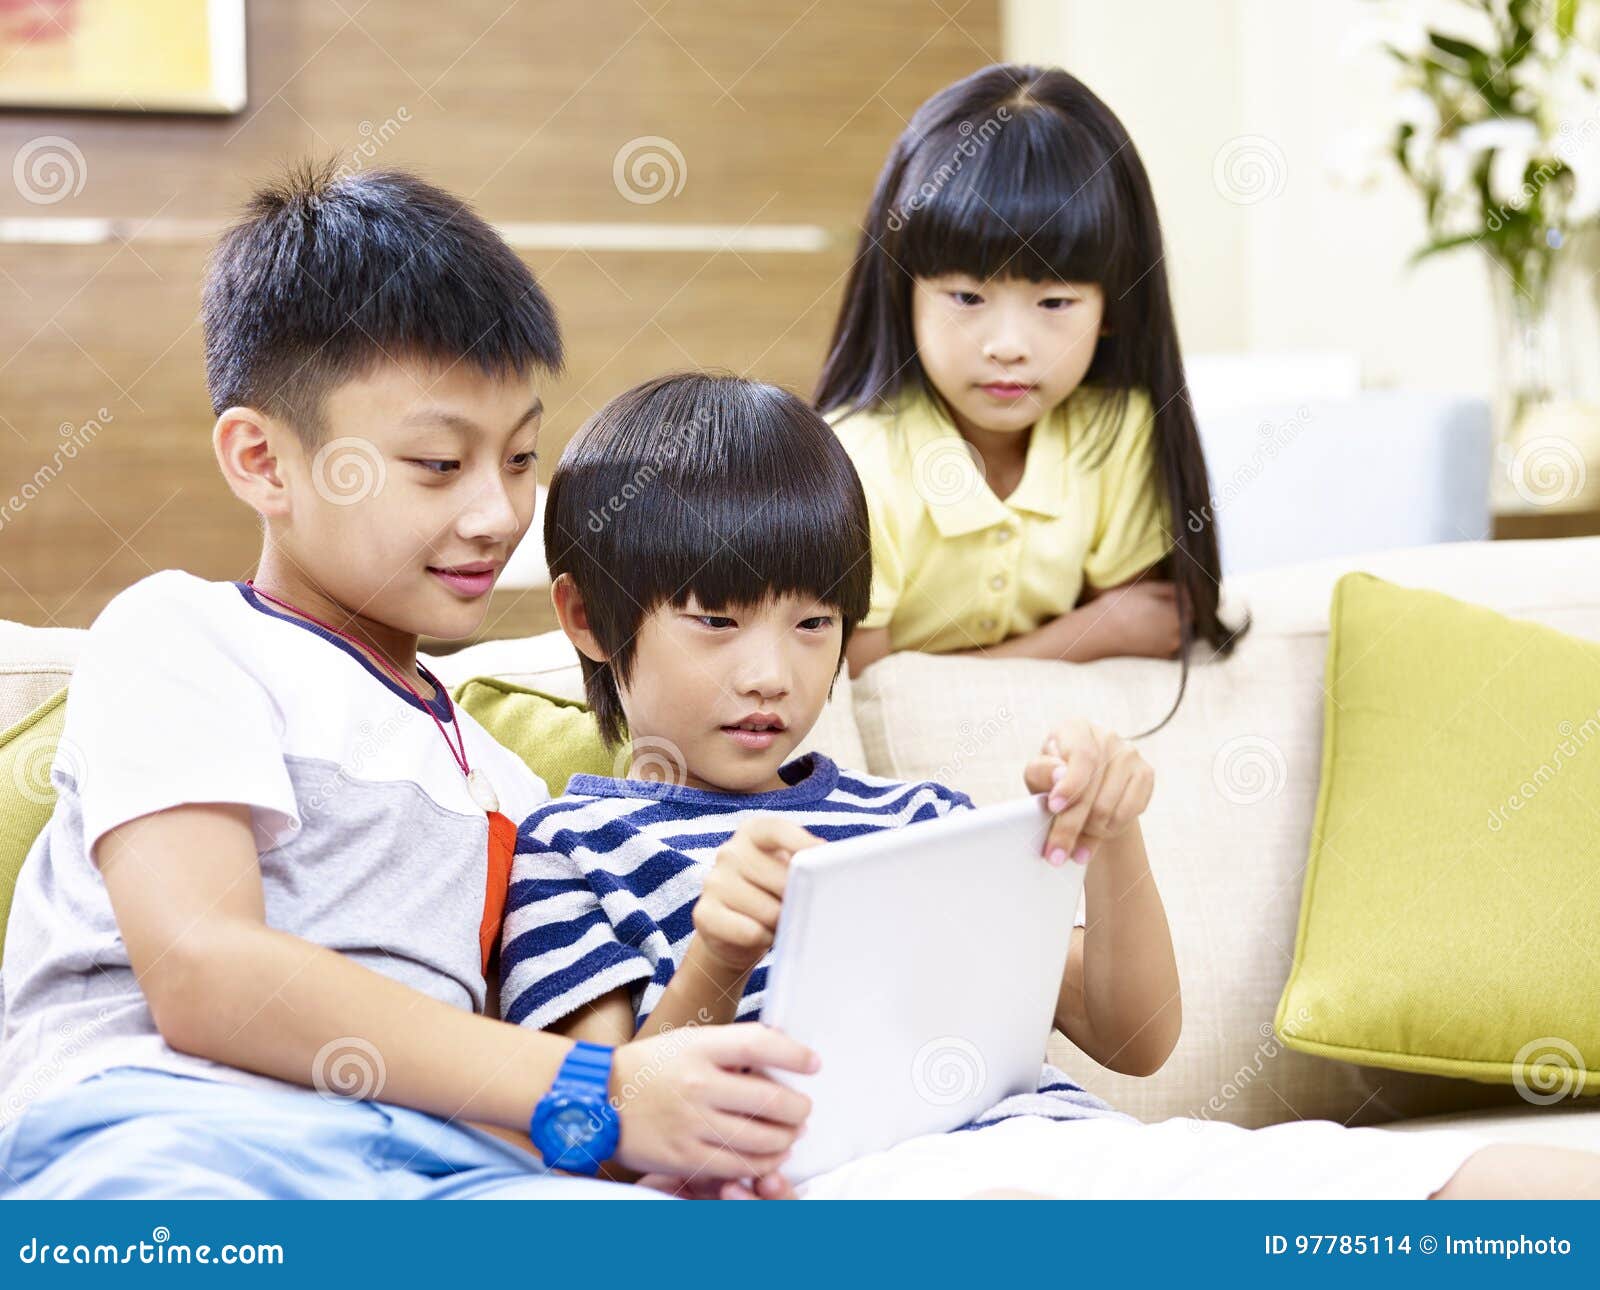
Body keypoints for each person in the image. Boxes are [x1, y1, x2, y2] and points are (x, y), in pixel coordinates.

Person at [502, 371, 1600, 1200]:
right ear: (588, 621)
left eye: (813, 624)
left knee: (1491, 1186)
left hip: (1071, 1160)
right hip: (852, 1193)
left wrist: (1109, 838)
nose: (770, 674)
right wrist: (717, 956)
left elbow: (1133, 1041)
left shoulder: (915, 821)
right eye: (714, 621)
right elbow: (597, 1145)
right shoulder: (566, 850)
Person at [0, 166, 814, 1200]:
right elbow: (207, 971)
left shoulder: (512, 792)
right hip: (170, 1135)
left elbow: (574, 1111)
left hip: (441, 1173)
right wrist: (596, 1082)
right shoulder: (184, 637)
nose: (495, 514)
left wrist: (683, 1120)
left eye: (520, 459)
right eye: (438, 463)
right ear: (262, 461)